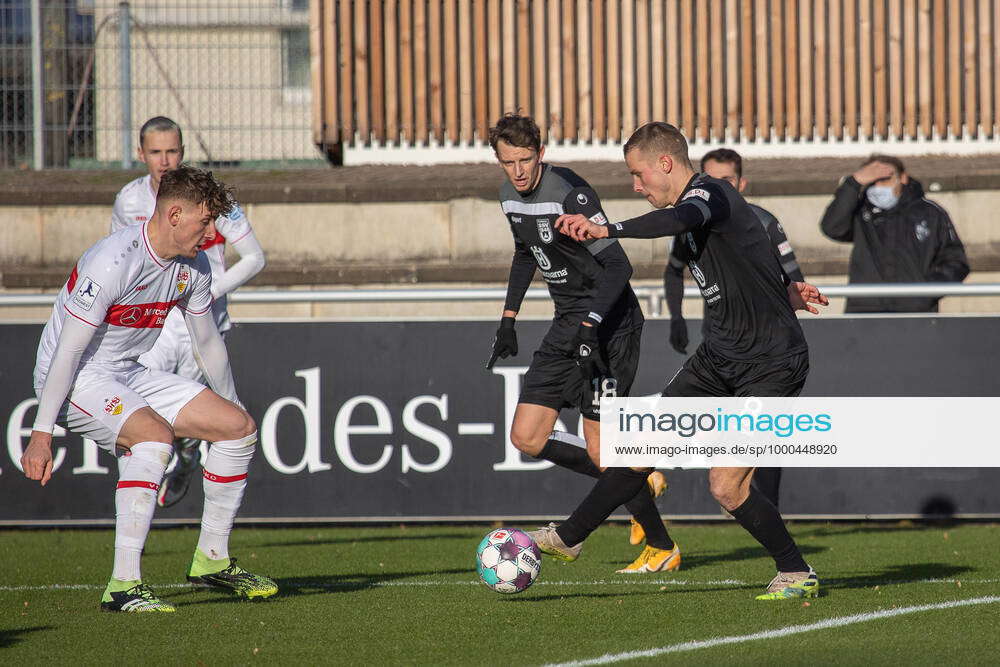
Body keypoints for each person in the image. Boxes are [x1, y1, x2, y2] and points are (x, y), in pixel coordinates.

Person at [555, 122, 829, 600]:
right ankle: (566, 538)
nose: (636, 186)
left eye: (638, 175)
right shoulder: (699, 209)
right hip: (719, 356)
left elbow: (681, 220)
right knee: (640, 445)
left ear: (665, 163)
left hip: (771, 362)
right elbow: (749, 264)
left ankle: (796, 571)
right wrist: (787, 292)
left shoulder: (710, 195)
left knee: (726, 486)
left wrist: (606, 228)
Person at [22, 164, 277, 612]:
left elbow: (207, 342)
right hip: (75, 376)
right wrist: (42, 432)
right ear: (174, 214)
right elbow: (68, 351)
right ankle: (123, 585)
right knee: (154, 437)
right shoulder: (113, 260)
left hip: (127, 371)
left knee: (238, 428)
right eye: (204, 221)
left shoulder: (193, 266)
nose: (210, 233)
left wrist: (229, 400)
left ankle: (211, 562)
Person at [486, 113, 679, 574]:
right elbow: (523, 252)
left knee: (600, 451)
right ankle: (640, 479)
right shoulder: (508, 196)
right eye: (508, 162)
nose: (518, 171)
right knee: (527, 437)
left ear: (541, 154)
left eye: (525, 160)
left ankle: (660, 545)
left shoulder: (569, 192)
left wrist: (593, 324)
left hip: (611, 323)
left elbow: (619, 267)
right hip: (566, 322)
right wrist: (508, 318)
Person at [111, 116, 266, 507]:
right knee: (141, 411)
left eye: (172, 151)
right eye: (156, 152)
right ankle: (133, 517)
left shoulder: (208, 198)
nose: (164, 161)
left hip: (202, 323)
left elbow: (254, 258)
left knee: (195, 412)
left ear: (182, 151)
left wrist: (210, 291)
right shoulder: (129, 200)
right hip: (155, 326)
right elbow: (120, 259)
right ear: (141, 154)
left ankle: (189, 455)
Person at [663, 147, 804, 511]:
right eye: (709, 178)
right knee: (705, 433)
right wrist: (676, 317)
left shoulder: (762, 222)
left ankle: (767, 509)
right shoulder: (689, 219)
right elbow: (673, 268)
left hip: (761, 351)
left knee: (759, 440)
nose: (715, 187)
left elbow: (792, 279)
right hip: (718, 347)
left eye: (725, 180)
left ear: (740, 182)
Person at [820, 154, 969, 312]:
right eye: (871, 181)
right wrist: (853, 182)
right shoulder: (860, 211)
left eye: (885, 179)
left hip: (915, 313)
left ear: (903, 178)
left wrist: (925, 293)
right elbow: (832, 228)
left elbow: (955, 261)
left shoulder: (930, 213)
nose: (878, 186)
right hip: (865, 311)